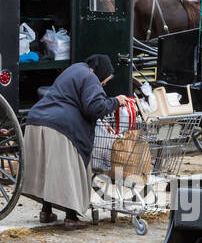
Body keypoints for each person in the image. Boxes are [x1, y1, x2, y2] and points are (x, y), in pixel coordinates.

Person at [21, 53, 129, 230]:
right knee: (72, 170)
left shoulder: (75, 69)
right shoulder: (91, 77)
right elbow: (95, 107)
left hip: (37, 120)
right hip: (61, 127)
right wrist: (116, 101)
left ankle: (45, 212)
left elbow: (76, 100)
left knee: (49, 171)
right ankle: (71, 218)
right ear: (99, 71)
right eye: (105, 81)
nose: (103, 84)